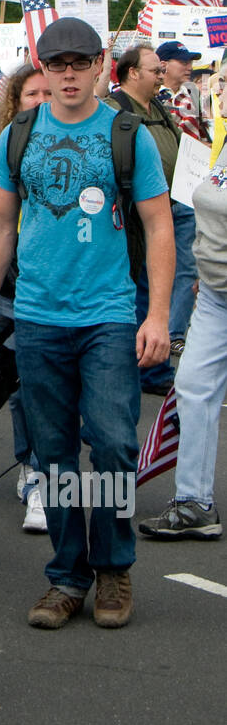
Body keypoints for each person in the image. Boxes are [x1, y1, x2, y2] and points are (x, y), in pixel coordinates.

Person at [0, 17, 174, 631]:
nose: (67, 74)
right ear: (42, 65)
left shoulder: (126, 133)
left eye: (79, 63)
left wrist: (158, 314)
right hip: (36, 316)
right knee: (54, 454)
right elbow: (0, 225)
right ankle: (67, 575)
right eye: (56, 64)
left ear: (99, 64)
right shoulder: (20, 135)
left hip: (109, 313)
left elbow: (160, 226)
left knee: (112, 444)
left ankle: (113, 566)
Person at [138, 67, 227, 541]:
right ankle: (194, 502)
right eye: (222, 83)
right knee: (192, 389)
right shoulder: (222, 141)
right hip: (214, 296)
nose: (219, 91)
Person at [0, 63, 52, 532]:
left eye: (48, 93)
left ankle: (55, 470)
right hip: (14, 290)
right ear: (15, 103)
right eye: (31, 95)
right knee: (26, 387)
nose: (41, 101)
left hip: (72, 290)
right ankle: (35, 471)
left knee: (64, 389)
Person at [100, 46, 187, 394]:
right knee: (143, 286)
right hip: (136, 214)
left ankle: (155, 359)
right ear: (133, 73)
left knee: (165, 281)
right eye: (155, 70)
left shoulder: (160, 107)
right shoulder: (115, 109)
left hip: (172, 203)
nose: (160, 77)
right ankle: (147, 366)